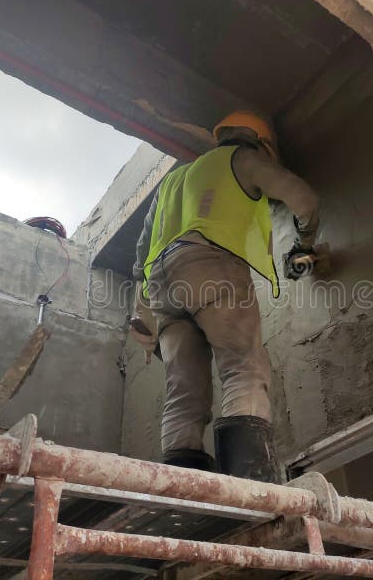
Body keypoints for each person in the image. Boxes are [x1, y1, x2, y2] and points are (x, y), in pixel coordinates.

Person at [130, 111, 319, 482]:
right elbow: (306, 200)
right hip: (210, 265)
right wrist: (304, 246)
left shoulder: (172, 181)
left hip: (161, 288)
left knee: (184, 391)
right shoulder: (243, 158)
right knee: (243, 369)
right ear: (261, 142)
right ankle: (248, 480)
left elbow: (140, 255)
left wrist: (143, 315)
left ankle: (182, 488)